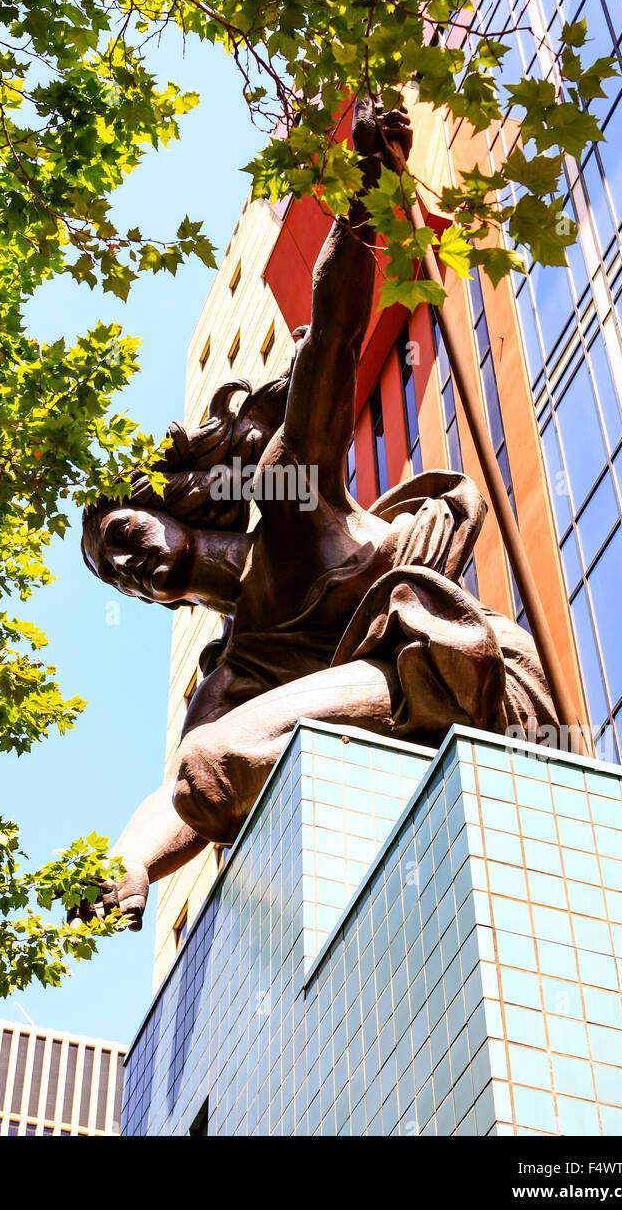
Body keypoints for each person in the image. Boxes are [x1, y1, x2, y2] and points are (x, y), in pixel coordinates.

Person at [76, 97, 557, 932]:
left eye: (125, 537)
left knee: (212, 758)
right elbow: (178, 798)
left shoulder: (288, 501)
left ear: (173, 506)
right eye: (119, 579)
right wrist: (127, 865)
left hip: (465, 676)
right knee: (207, 770)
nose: (131, 568)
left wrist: (367, 190)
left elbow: (333, 342)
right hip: (405, 746)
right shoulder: (235, 668)